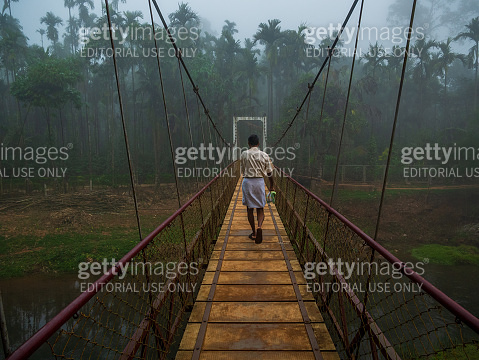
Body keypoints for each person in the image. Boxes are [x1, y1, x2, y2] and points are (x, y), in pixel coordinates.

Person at [240, 134, 274, 244]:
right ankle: (259, 226)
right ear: (258, 143)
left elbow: (242, 169)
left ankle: (254, 233)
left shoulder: (244, 154)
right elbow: (269, 172)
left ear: (249, 144)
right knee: (260, 208)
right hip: (259, 182)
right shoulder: (264, 155)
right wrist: (271, 185)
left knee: (250, 209)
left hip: (247, 182)